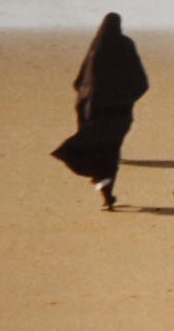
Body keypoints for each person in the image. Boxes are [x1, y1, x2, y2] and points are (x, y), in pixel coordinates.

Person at [50, 12, 149, 211]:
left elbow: (80, 82)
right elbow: (141, 81)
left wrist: (87, 104)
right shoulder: (126, 45)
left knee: (98, 150)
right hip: (121, 112)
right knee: (111, 151)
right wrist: (128, 98)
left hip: (95, 111)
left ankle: (105, 191)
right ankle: (107, 193)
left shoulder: (96, 47)